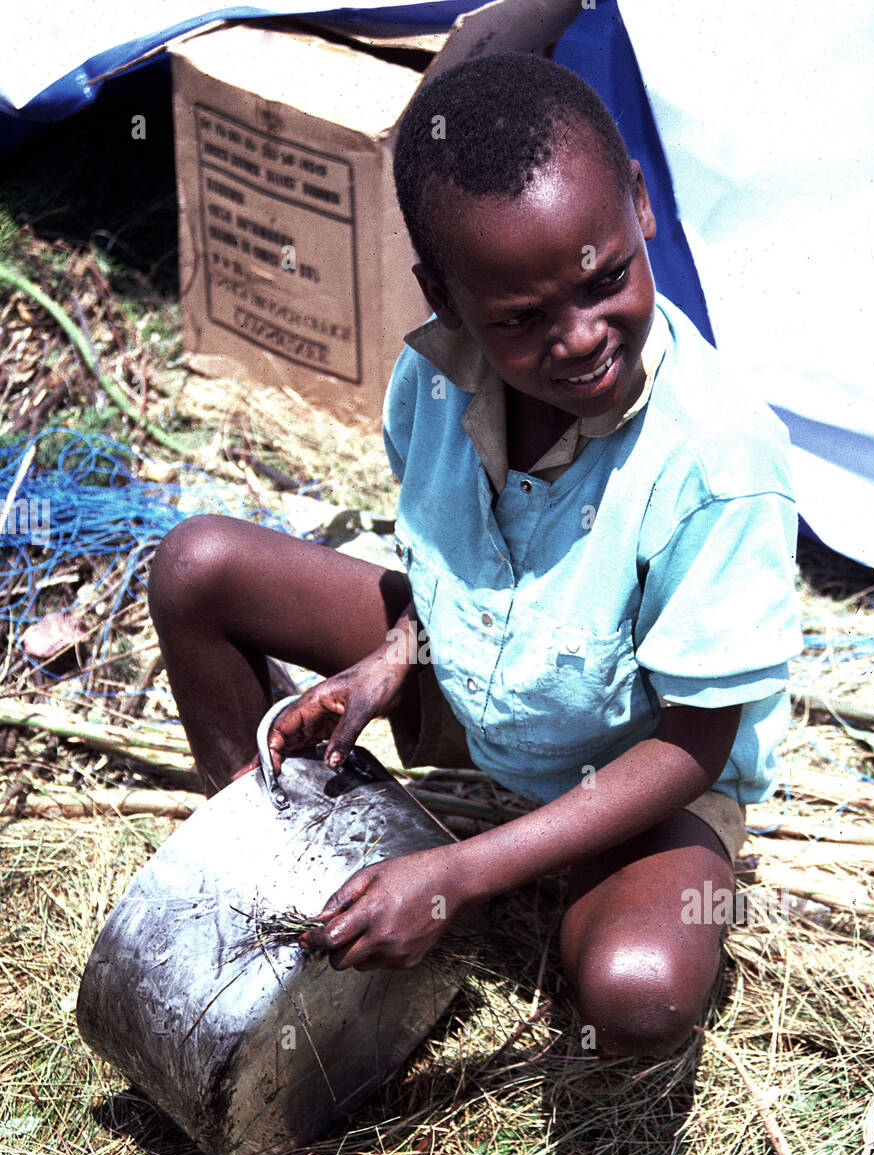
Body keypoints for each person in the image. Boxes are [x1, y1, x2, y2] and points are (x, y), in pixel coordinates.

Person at [148, 53, 801, 1059]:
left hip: (627, 770)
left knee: (637, 995)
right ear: (447, 302)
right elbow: (444, 560)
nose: (582, 336)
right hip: (481, 671)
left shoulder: (715, 460)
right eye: (521, 319)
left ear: (640, 203)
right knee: (198, 567)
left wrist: (457, 874)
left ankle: (529, 878)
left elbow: (695, 745)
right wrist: (392, 656)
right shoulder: (433, 382)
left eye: (605, 279)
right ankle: (282, 906)